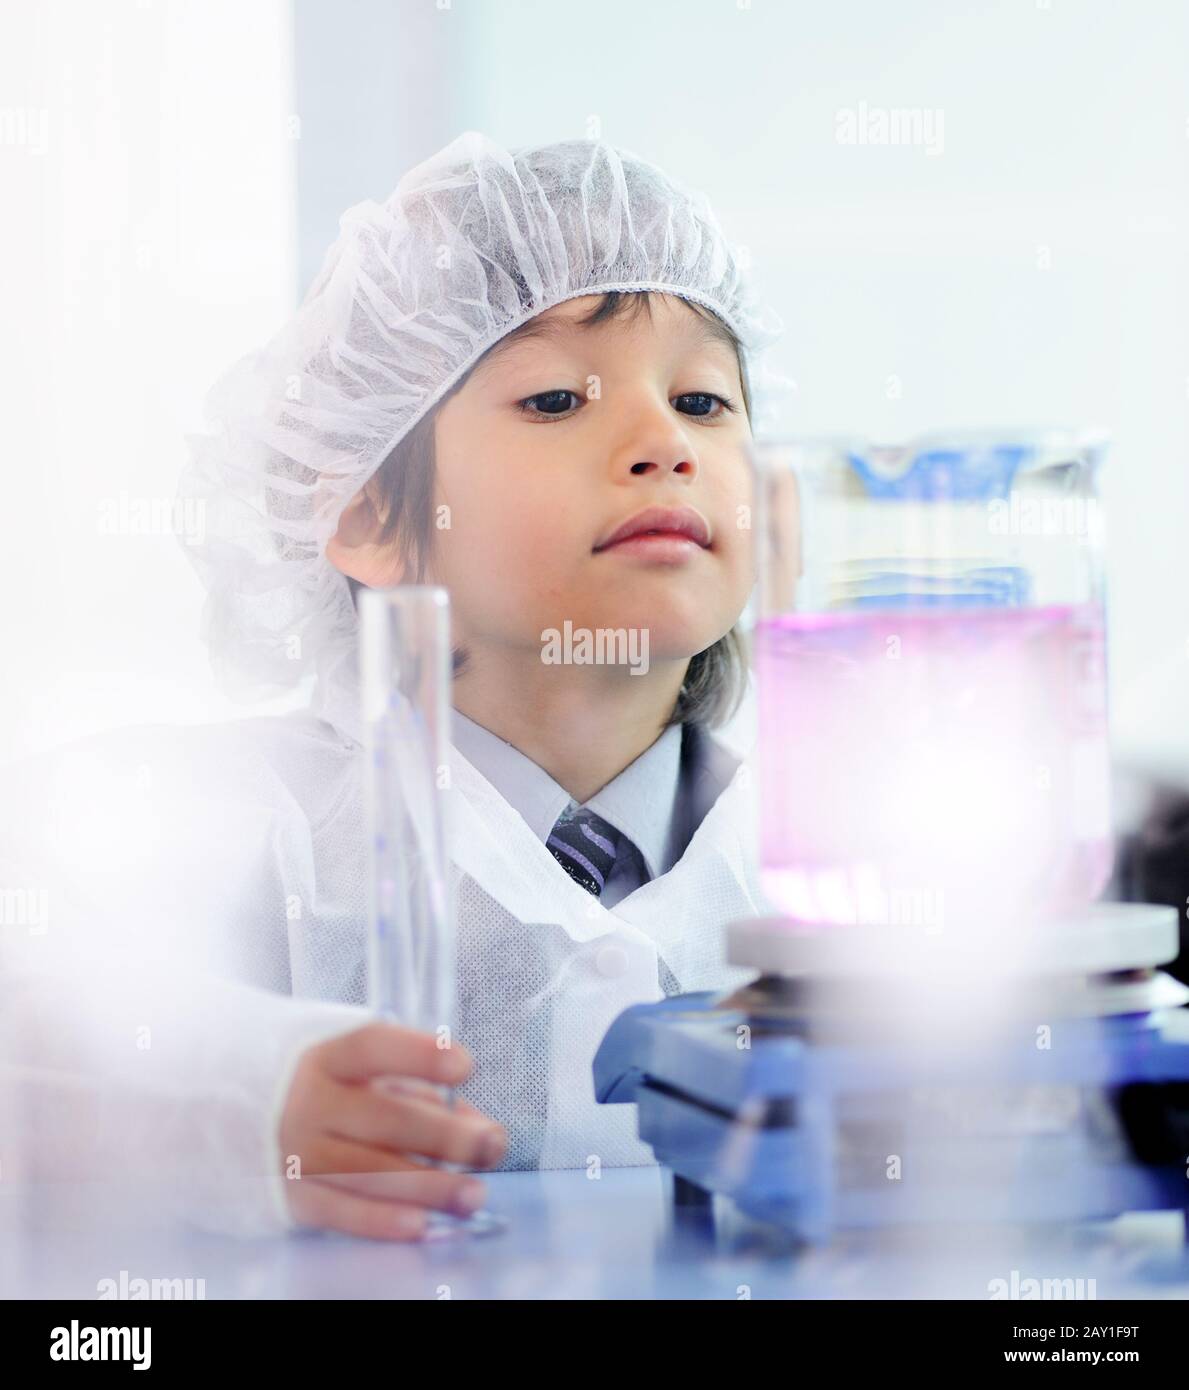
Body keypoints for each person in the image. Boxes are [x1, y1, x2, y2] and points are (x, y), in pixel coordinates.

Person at [0, 131, 783, 1241]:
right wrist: (223, 1097)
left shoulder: (848, 860)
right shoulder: (216, 826)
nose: (662, 441)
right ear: (367, 512)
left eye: (704, 402)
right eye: (557, 398)